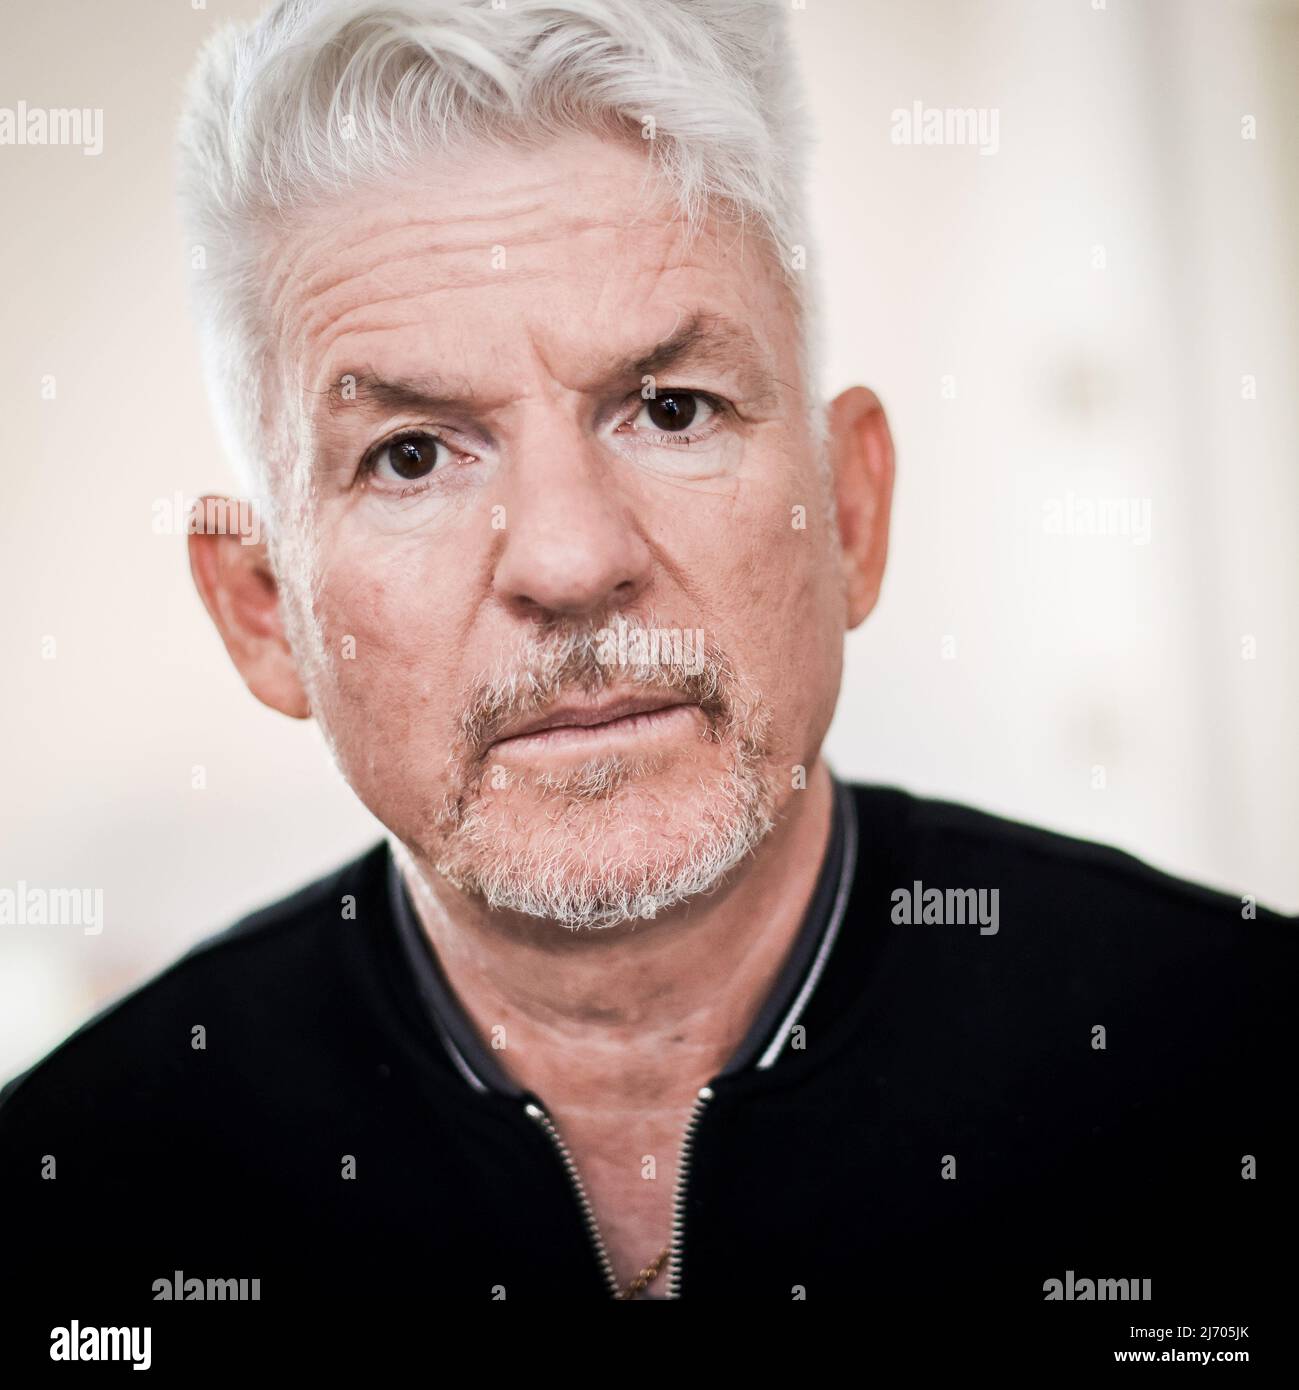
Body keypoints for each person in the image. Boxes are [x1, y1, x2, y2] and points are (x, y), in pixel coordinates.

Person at [1, 0, 1291, 1333]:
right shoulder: (65, 1212)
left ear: (850, 512)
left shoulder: (1243, 1069)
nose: (568, 559)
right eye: (412, 453)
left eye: (672, 409)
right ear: (265, 611)